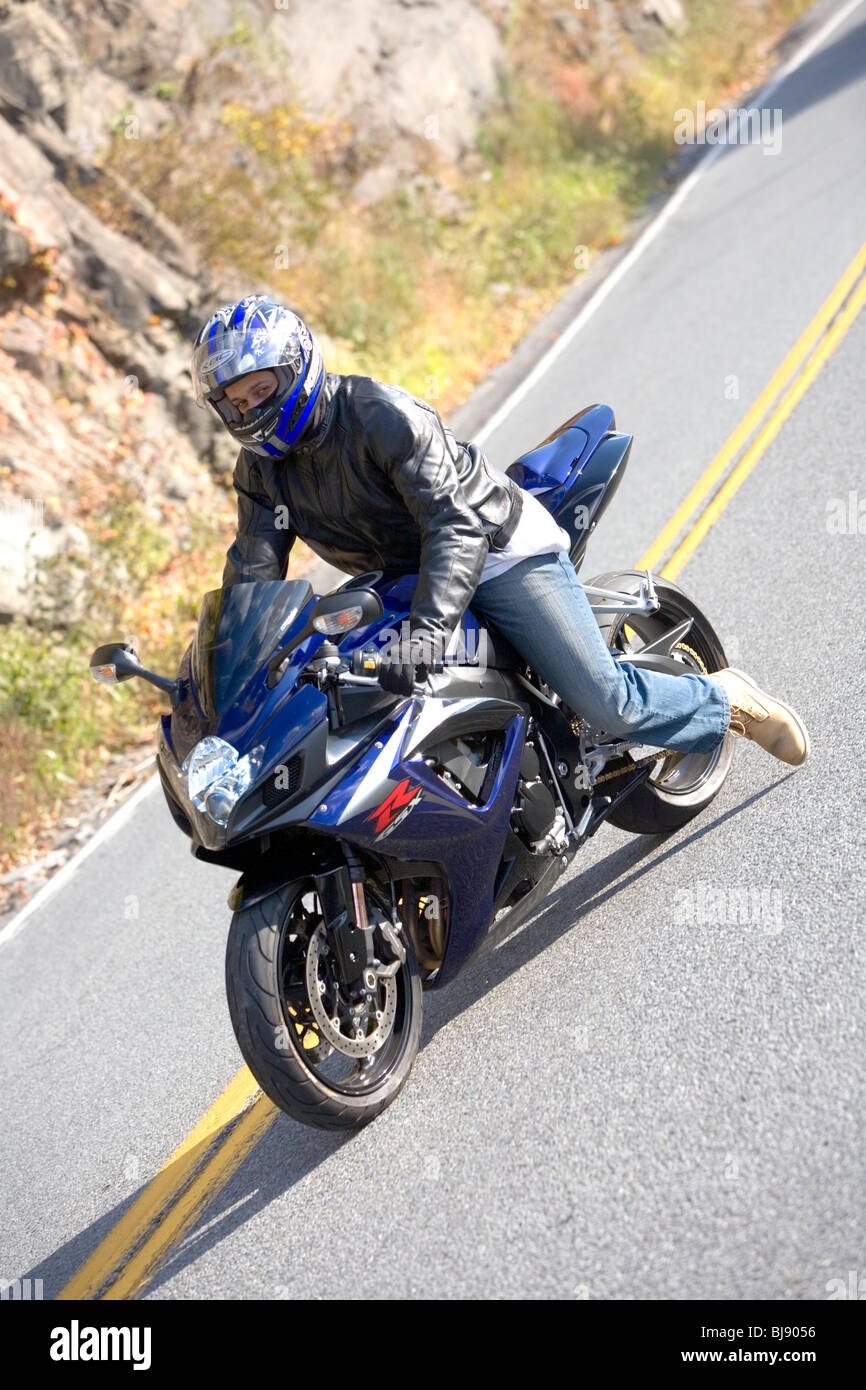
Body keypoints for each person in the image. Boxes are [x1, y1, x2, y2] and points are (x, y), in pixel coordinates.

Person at [190, 295, 809, 767]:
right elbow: (253, 568)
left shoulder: (382, 417)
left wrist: (427, 639)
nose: (251, 411)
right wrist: (228, 683)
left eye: (260, 390)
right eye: (236, 403)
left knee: (604, 701)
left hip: (493, 552)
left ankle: (726, 703)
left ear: (296, 367)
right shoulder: (260, 471)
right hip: (401, 581)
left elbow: (453, 525)